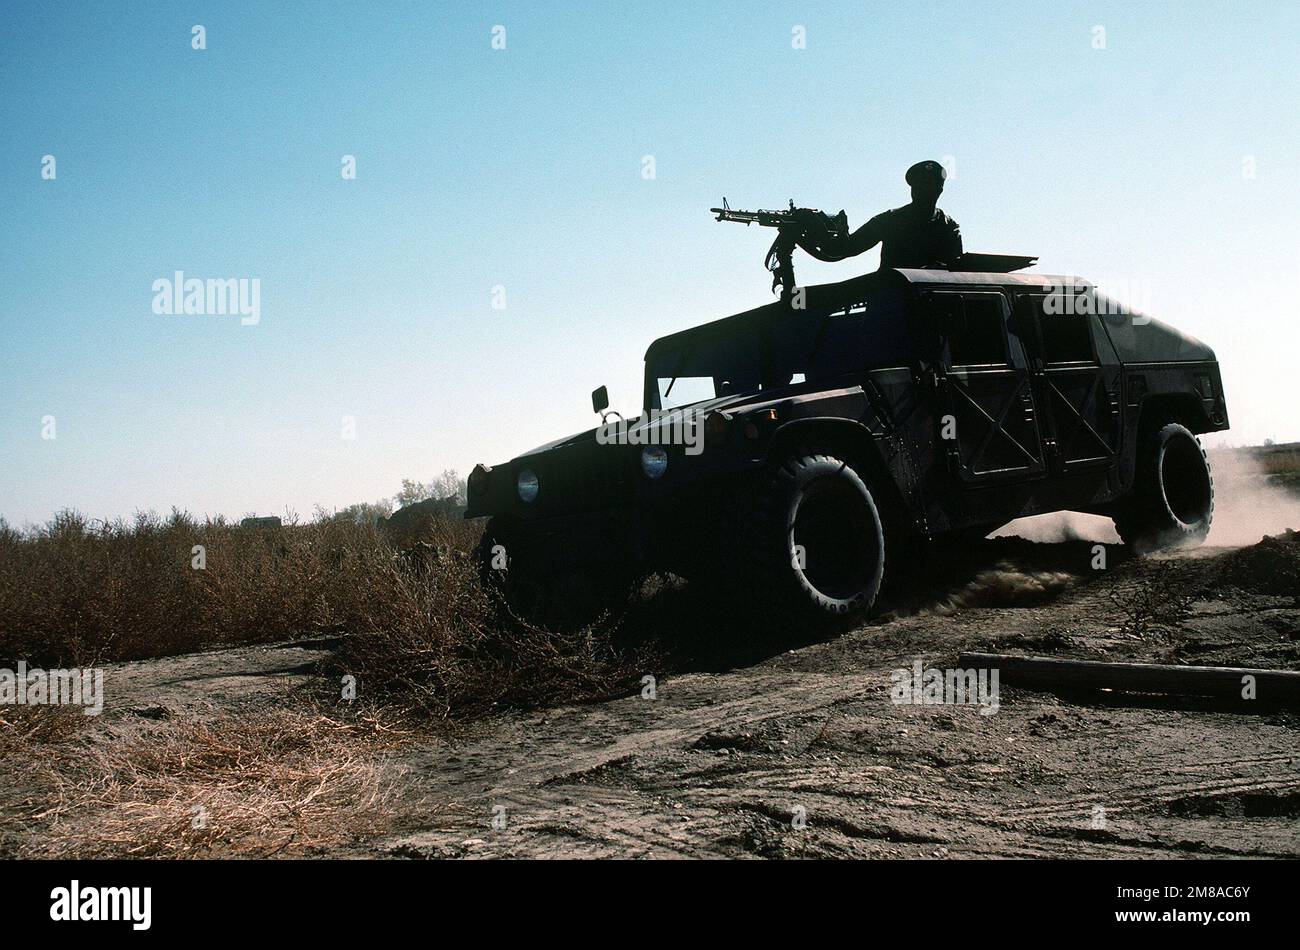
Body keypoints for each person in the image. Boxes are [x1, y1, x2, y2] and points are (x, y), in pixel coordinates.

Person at [814, 160, 962, 269]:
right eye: (917, 184)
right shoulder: (890, 220)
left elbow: (957, 268)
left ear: (939, 189)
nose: (920, 189)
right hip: (892, 301)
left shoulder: (948, 227)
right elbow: (849, 248)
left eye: (926, 183)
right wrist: (823, 233)